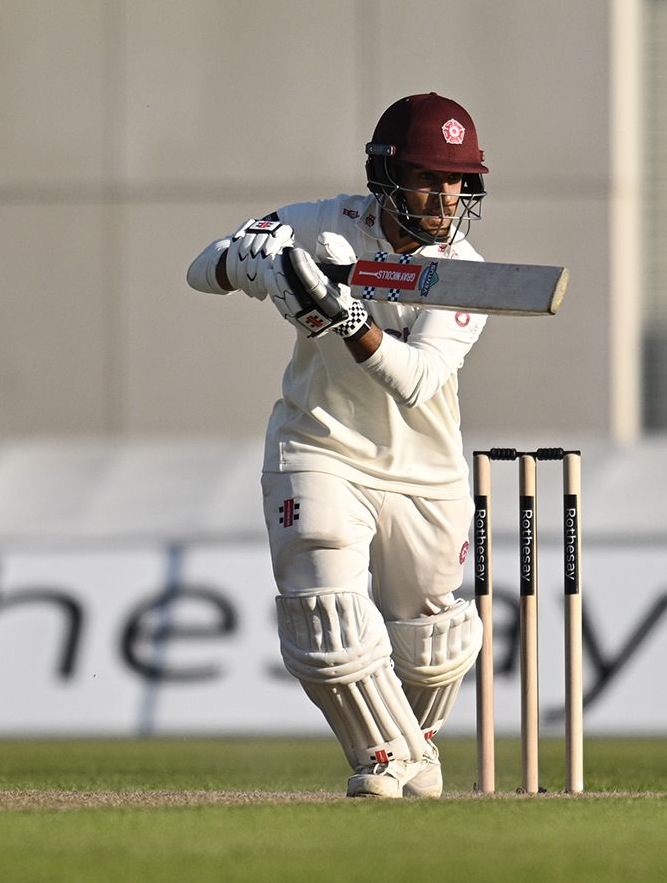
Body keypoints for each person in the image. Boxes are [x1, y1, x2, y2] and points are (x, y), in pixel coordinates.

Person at [186, 93, 490, 798]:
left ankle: (414, 746)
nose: (444, 194)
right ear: (385, 176)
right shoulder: (326, 221)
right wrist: (253, 265)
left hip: (424, 468)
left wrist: (341, 314)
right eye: (426, 176)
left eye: (456, 179)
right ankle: (386, 756)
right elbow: (200, 269)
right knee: (323, 608)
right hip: (318, 445)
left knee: (435, 642)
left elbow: (415, 380)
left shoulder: (466, 270)